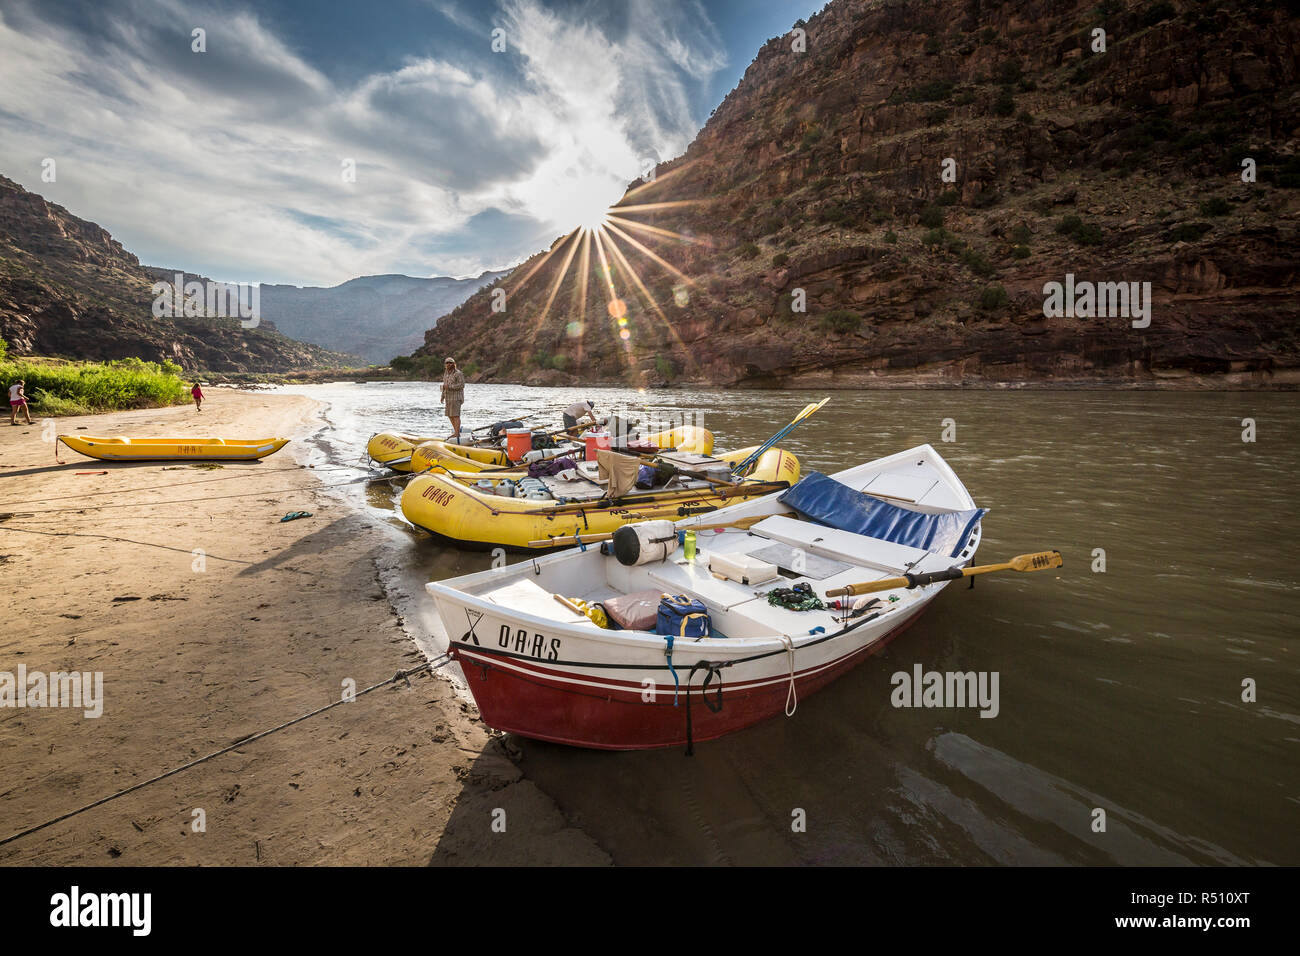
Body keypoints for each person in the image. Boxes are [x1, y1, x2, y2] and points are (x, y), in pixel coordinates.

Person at [440, 357, 465, 439]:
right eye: (447, 363)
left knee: (456, 415)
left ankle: (457, 434)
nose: (449, 364)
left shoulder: (458, 373)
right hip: (448, 398)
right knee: (449, 415)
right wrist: (442, 396)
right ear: (445, 364)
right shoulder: (446, 374)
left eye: (450, 363)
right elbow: (444, 386)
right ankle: (456, 432)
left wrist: (449, 387)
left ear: (454, 364)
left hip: (456, 398)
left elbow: (462, 385)